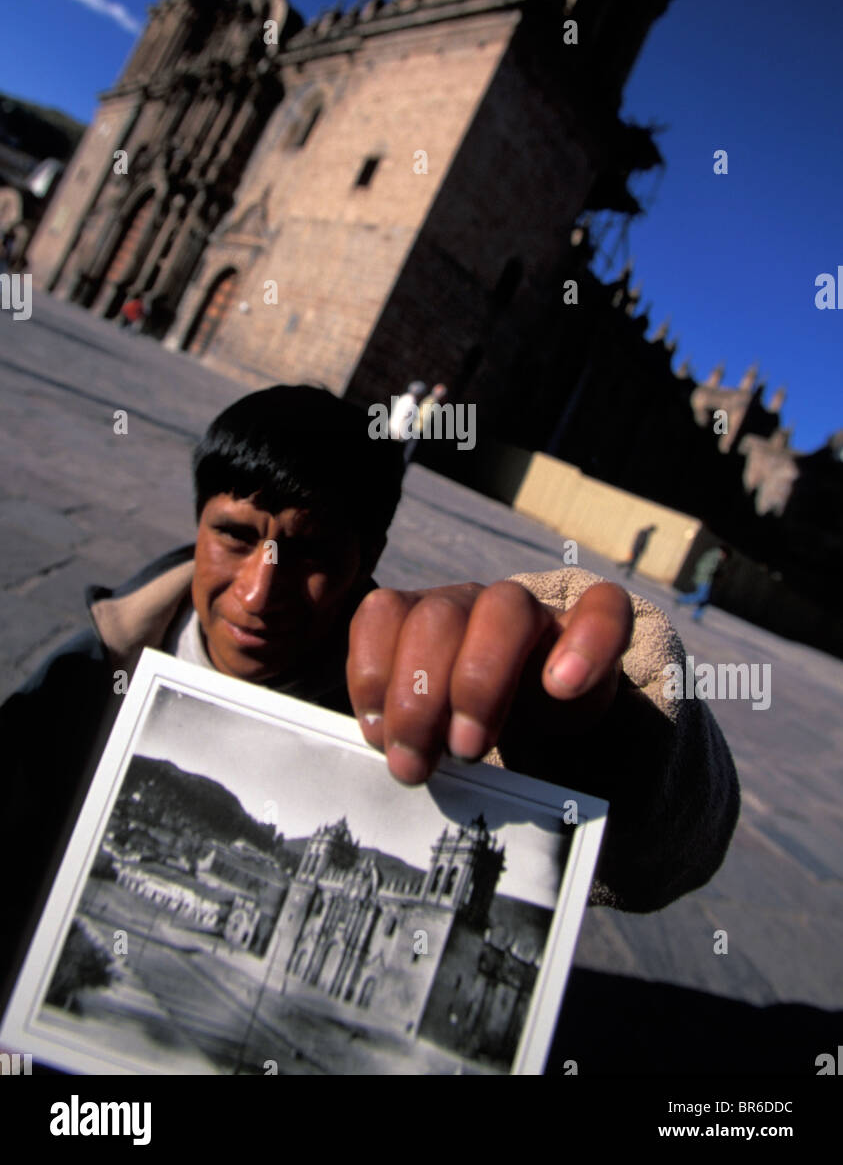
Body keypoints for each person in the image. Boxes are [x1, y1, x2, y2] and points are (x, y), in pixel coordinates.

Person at [0, 385, 739, 996]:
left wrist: (608, 736)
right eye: (233, 535)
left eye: (311, 552)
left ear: (370, 555)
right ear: (197, 521)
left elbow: (664, 859)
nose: (258, 593)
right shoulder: (95, 658)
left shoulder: (414, 697)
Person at [674, 545, 731, 622]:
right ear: (723, 553)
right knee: (702, 597)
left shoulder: (715, 556)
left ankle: (697, 616)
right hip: (704, 579)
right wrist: (715, 572)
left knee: (705, 599)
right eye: (726, 557)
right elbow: (704, 567)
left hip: (707, 579)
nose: (725, 559)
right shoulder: (713, 556)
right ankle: (682, 599)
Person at [388, 379, 426, 463]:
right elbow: (405, 417)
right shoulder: (411, 401)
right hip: (398, 432)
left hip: (392, 427)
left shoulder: (404, 397)